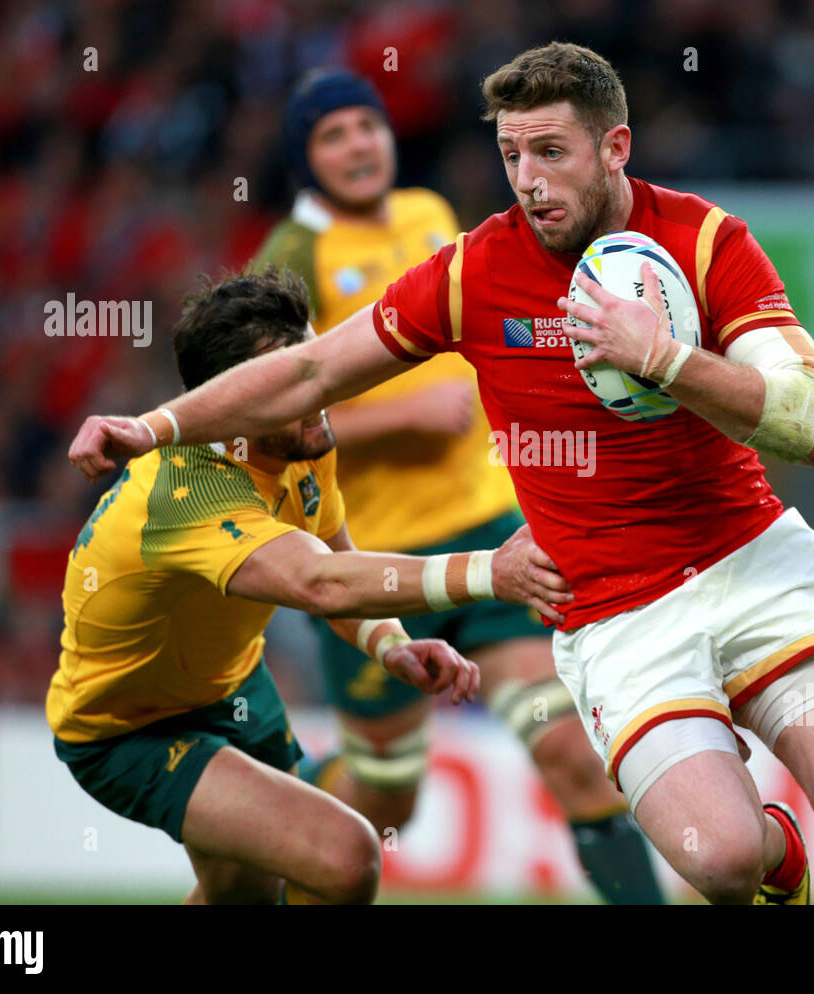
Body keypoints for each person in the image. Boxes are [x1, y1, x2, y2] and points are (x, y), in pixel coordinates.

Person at [70, 43, 814, 905]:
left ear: (616, 148)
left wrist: (666, 358)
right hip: (614, 612)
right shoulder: (472, 270)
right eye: (511, 155)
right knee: (719, 861)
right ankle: (777, 853)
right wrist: (153, 426)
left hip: (751, 563)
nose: (527, 180)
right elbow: (308, 373)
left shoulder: (707, 240)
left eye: (550, 153)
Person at [247, 69, 665, 903]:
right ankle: (261, 828)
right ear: (307, 158)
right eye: (333, 135)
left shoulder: (429, 216)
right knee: (386, 789)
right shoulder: (289, 260)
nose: (359, 144)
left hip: (492, 539)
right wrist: (401, 420)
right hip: (376, 569)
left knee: (573, 755)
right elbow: (261, 420)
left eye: (367, 126)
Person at [50, 266, 571, 905]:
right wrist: (491, 571)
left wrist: (390, 646)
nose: (314, 389)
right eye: (285, 379)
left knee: (241, 896)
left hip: (235, 687)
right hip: (128, 728)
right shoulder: (189, 493)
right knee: (345, 857)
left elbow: (338, 556)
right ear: (239, 402)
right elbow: (321, 584)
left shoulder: (301, 439)